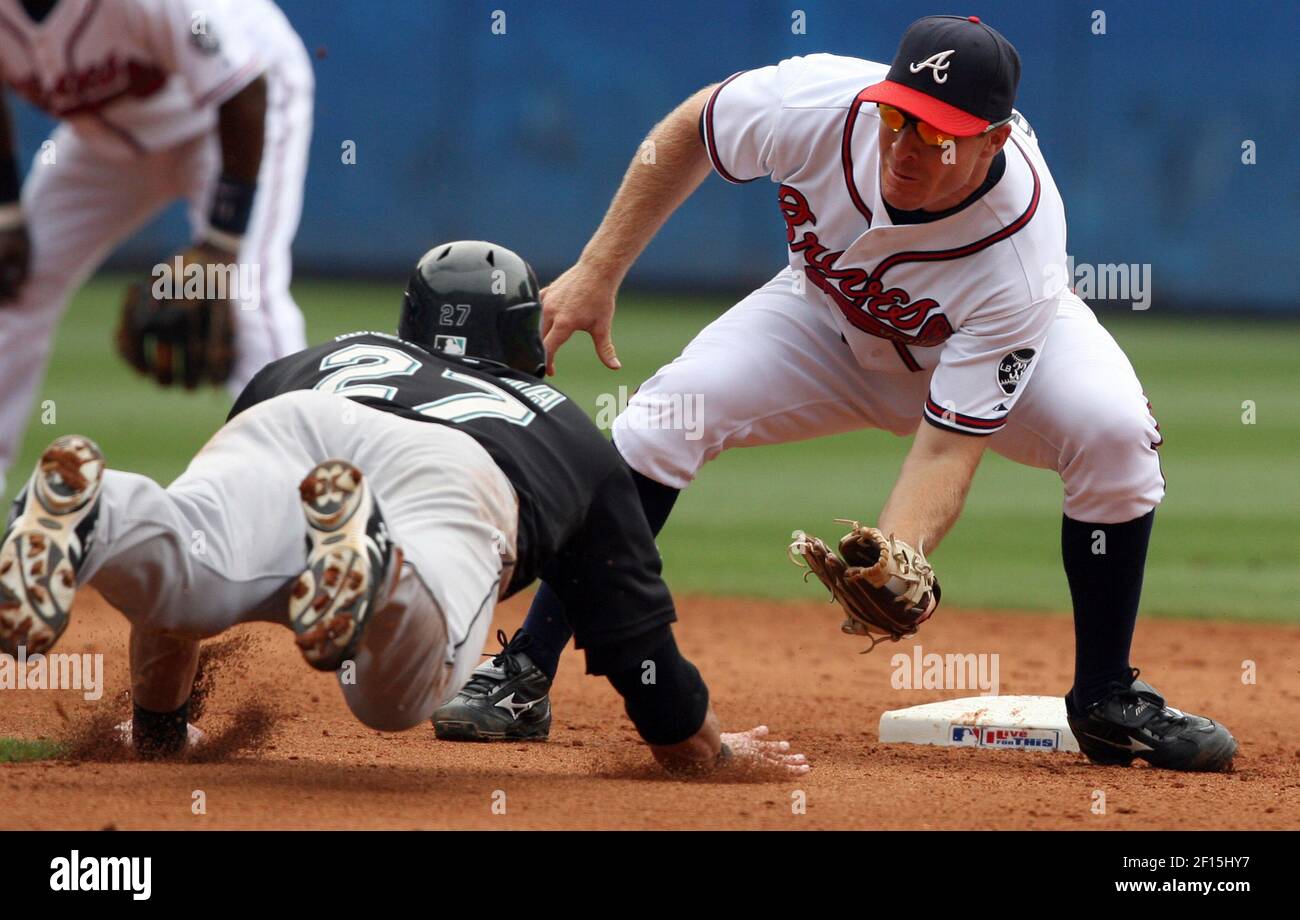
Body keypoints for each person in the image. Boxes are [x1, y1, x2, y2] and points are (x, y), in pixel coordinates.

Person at [438, 16, 1238, 773]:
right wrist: (599, 269)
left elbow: (948, 443)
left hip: (984, 347)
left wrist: (896, 555)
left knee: (1115, 433)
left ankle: (1105, 697)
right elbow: (691, 129)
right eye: (899, 117)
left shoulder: (1021, 248)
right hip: (822, 323)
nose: (906, 146)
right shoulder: (818, 105)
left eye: (937, 133)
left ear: (993, 140)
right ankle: (523, 673)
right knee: (660, 418)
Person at [0, 240, 808, 776]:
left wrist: (160, 735)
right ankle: (379, 570)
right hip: (458, 473)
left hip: (293, 421)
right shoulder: (562, 428)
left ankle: (100, 512)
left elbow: (173, 620)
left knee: (187, 561)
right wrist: (714, 750)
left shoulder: (316, 357)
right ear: (527, 340)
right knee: (392, 696)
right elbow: (648, 672)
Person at [0, 0, 314, 496]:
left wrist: (219, 245)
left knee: (246, 296)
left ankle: (319, 500)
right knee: (12, 289)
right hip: (105, 144)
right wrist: (8, 211)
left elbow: (243, 90)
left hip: (233, 114)